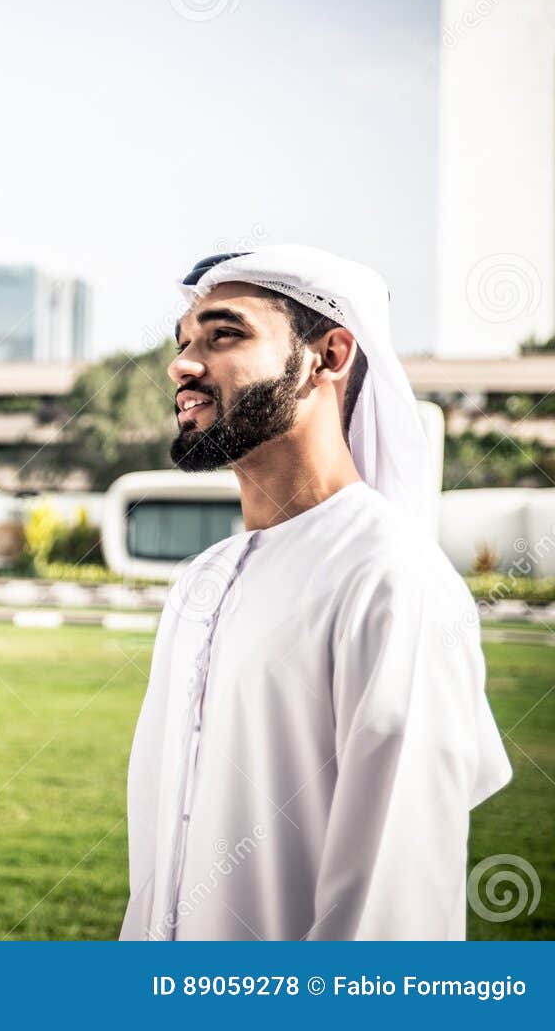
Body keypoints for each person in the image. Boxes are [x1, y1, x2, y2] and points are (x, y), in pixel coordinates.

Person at [121, 245, 512, 940]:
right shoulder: (199, 583)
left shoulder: (390, 579)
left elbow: (394, 913)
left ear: (330, 355)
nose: (183, 365)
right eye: (183, 344)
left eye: (224, 335)